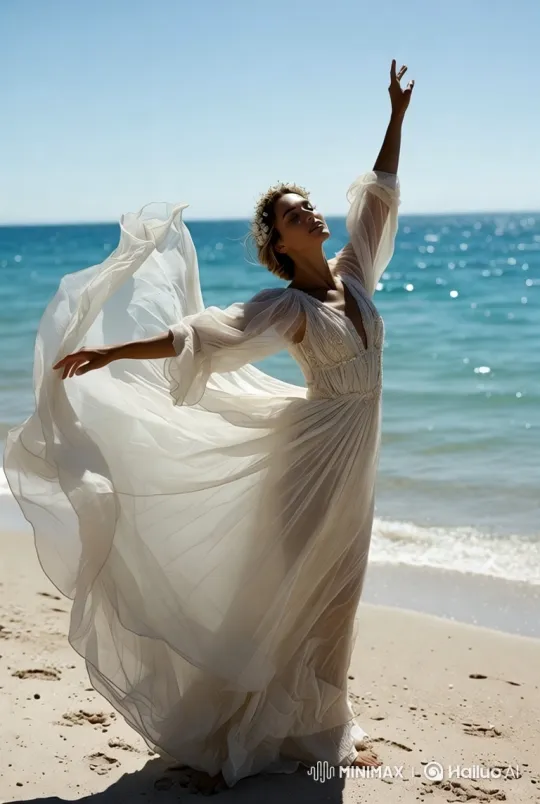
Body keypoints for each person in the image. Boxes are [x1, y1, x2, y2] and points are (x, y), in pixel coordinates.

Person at [4, 60, 414, 794]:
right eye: (295, 215)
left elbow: (376, 201)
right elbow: (200, 334)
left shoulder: (353, 277)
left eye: (309, 207)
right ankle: (233, 737)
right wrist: (109, 351)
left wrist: (395, 116)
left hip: (355, 461)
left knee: (338, 593)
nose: (312, 215)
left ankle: (320, 728)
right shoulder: (286, 306)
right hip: (312, 460)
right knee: (290, 592)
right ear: (280, 244)